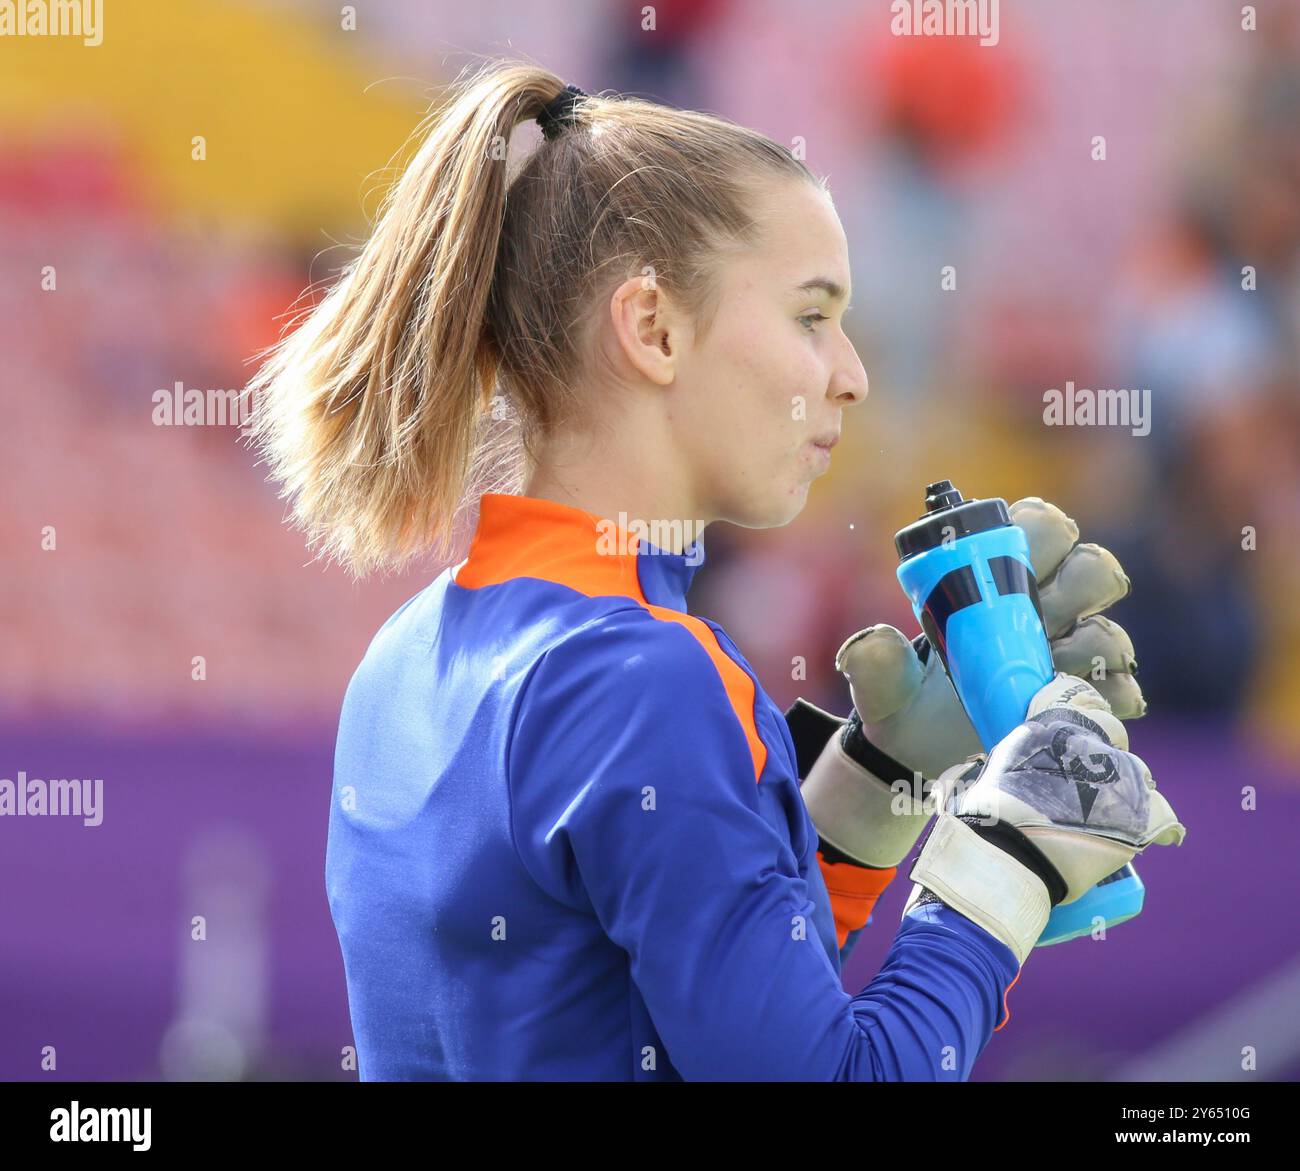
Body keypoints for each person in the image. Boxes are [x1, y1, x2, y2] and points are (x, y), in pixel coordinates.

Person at [246, 62, 1185, 1081]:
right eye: (810, 316)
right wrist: (1007, 862)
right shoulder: (648, 677)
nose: (852, 373)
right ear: (652, 329)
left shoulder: (405, 650)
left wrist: (883, 785)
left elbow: (652, 1008)